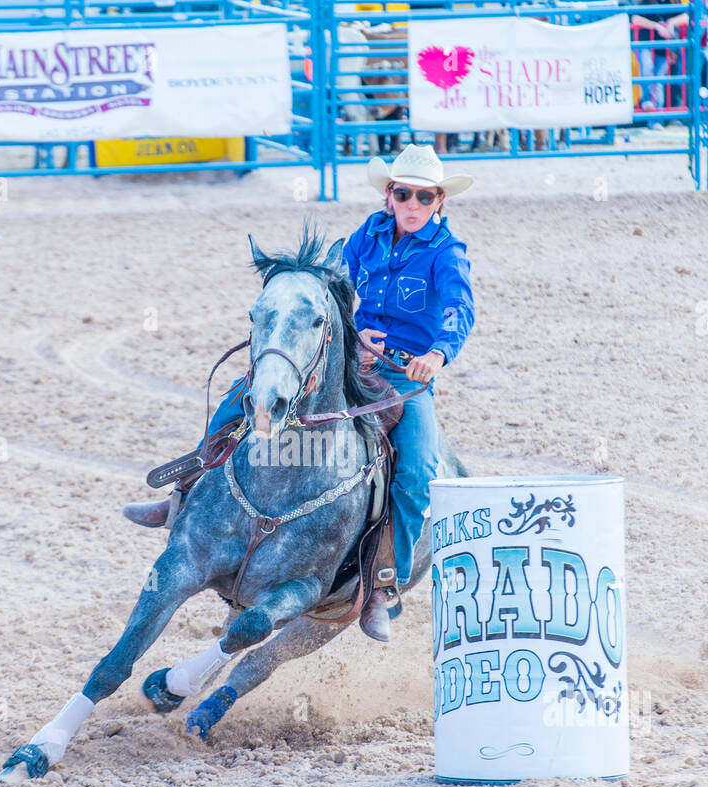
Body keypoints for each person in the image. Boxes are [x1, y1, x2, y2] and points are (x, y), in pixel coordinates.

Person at [122, 144, 476, 637]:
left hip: (402, 378)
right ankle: (184, 495)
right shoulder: (364, 237)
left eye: (424, 196)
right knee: (239, 399)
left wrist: (436, 354)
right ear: (389, 196)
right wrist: (354, 332)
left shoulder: (447, 253)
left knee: (416, 471)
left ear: (439, 201)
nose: (412, 204)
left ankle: (380, 585)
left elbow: (460, 310)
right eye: (403, 194)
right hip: (348, 360)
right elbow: (331, 291)